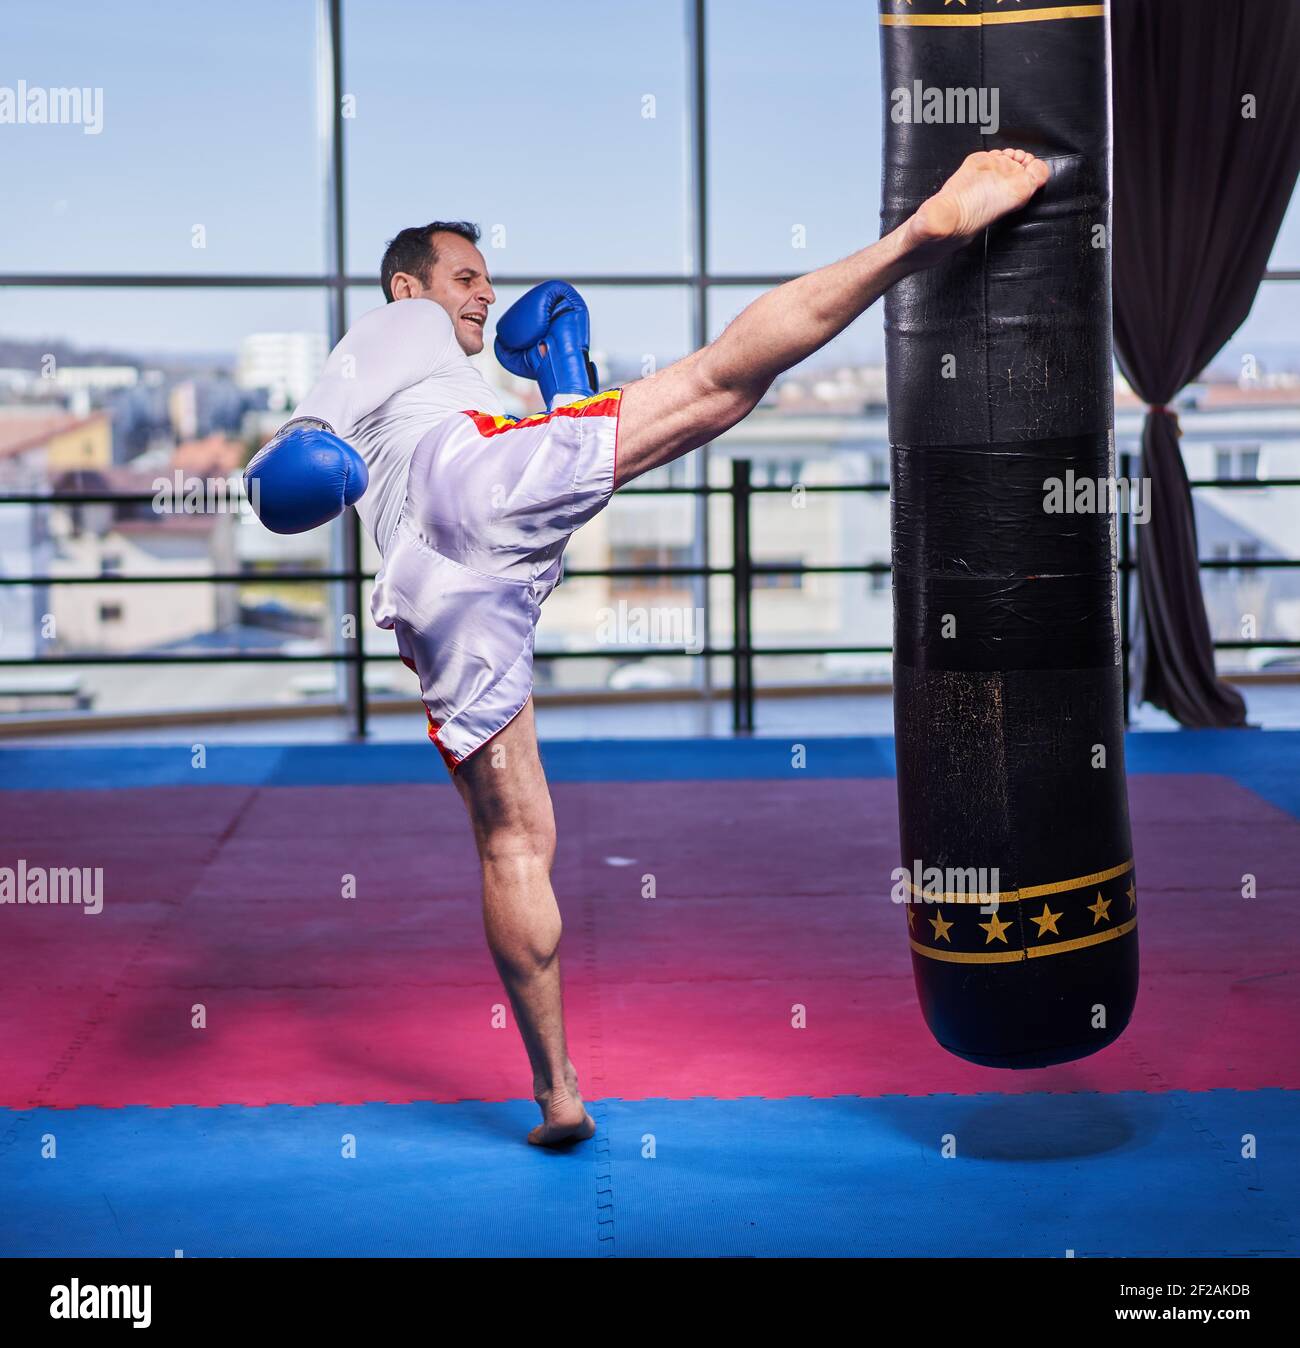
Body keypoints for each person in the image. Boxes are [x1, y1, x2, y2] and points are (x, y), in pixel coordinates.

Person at [246, 147, 1051, 1145]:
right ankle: (923, 234)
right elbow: (308, 426)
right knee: (722, 383)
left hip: (449, 593)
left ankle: (557, 1093)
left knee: (515, 837)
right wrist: (293, 451)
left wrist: (558, 390)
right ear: (410, 285)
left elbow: (500, 477)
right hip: (468, 496)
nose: (482, 292)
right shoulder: (397, 324)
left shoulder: (458, 384)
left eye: (484, 279)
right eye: (463, 277)